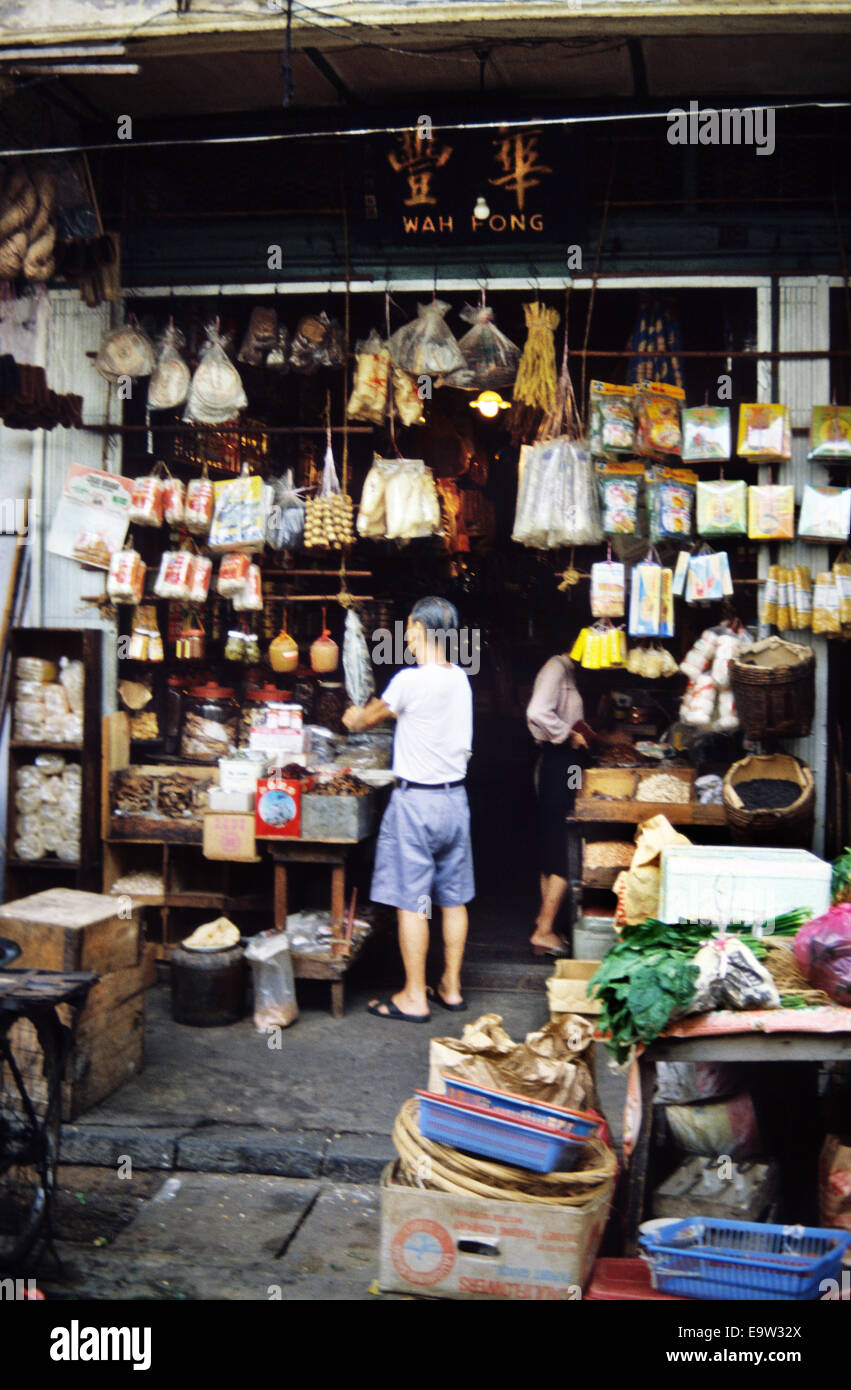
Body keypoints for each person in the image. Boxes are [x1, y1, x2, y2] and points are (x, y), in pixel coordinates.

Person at [342, 596, 474, 1022]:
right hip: (455, 801)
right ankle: (450, 987)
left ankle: (414, 996)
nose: (408, 640)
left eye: (409, 632)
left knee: (414, 901)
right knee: (453, 899)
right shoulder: (461, 681)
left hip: (416, 803)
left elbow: (366, 719)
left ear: (417, 627)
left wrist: (352, 717)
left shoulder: (408, 681)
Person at [525, 648, 591, 957]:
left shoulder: (568, 670)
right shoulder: (555, 667)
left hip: (571, 763)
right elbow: (537, 711)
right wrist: (568, 734)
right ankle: (544, 929)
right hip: (561, 763)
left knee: (558, 833)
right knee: (565, 836)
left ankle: (545, 921)